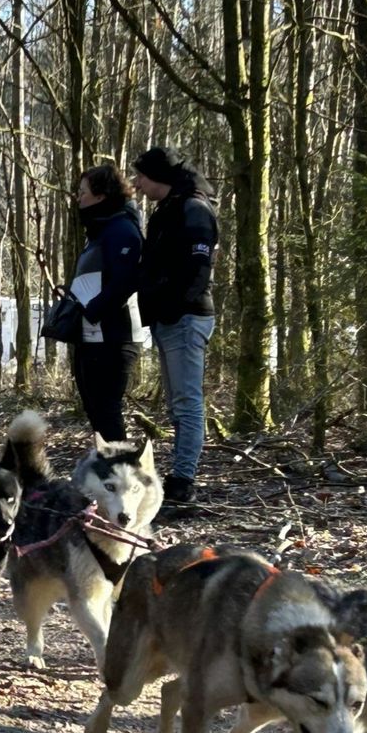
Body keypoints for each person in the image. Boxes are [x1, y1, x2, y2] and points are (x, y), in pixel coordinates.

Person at [134, 146, 218, 511]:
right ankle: (180, 478)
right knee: (177, 405)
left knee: (187, 404)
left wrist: (172, 307)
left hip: (185, 318)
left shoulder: (193, 209)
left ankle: (183, 482)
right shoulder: (169, 209)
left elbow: (198, 268)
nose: (137, 183)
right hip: (169, 320)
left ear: (160, 177)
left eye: (142, 176)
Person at [68, 163, 145, 443]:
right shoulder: (100, 231)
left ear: (101, 196)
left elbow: (125, 281)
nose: (78, 198)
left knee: (106, 411)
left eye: (83, 192)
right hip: (91, 336)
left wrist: (93, 310)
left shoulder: (122, 229)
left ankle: (120, 466)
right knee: (95, 411)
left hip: (115, 336)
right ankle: (107, 465)